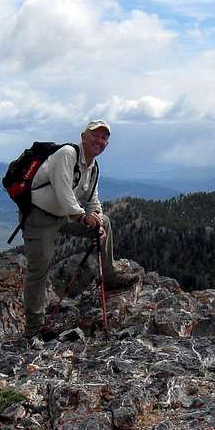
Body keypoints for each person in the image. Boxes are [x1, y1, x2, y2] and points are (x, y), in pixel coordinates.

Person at [22, 119, 138, 337]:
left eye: (105, 137)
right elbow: (64, 193)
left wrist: (97, 221)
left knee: (105, 222)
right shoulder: (67, 154)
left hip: (64, 215)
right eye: (96, 135)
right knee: (40, 266)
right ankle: (33, 327)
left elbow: (93, 200)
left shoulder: (93, 167)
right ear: (83, 136)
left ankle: (110, 275)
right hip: (40, 216)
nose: (100, 140)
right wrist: (84, 218)